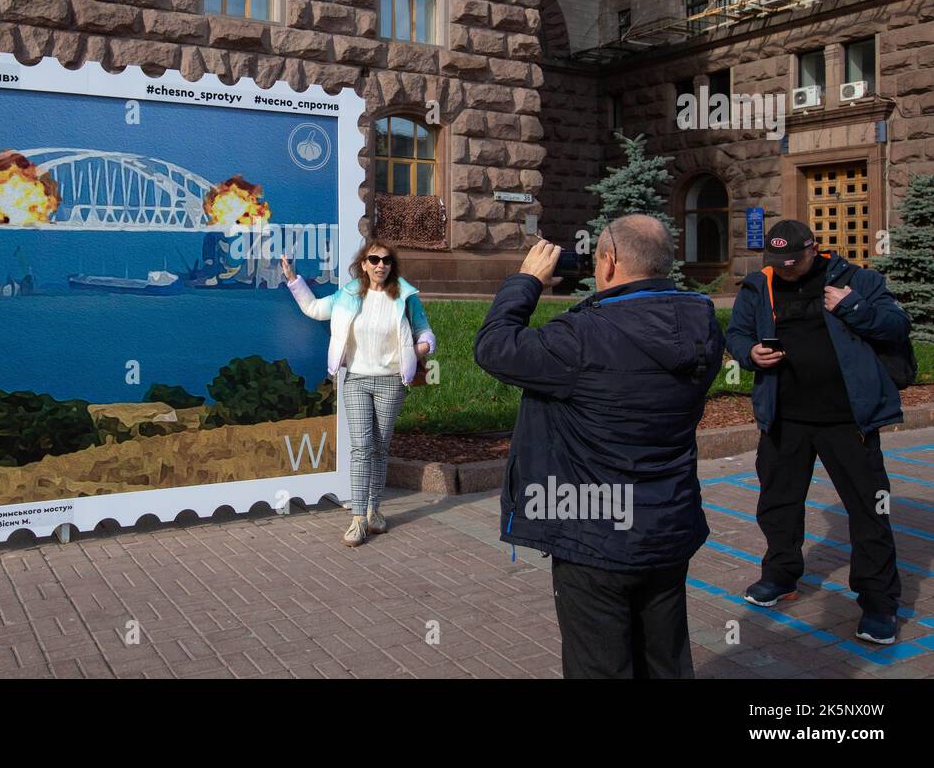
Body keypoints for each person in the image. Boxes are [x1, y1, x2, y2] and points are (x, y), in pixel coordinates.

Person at [474, 215, 724, 678]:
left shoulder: (581, 337)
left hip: (595, 533)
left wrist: (526, 280)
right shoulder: (702, 323)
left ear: (607, 262)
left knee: (600, 665)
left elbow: (494, 347)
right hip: (669, 524)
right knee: (666, 659)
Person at [725, 219, 909, 645]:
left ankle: (879, 604)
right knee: (779, 504)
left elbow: (897, 326)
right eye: (778, 263)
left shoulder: (857, 280)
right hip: (784, 418)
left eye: (794, 262)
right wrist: (748, 353)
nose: (786, 270)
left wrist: (852, 307)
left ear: (814, 250)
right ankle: (780, 575)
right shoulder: (758, 286)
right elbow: (735, 334)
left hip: (849, 421)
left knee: (869, 512)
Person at [282, 240, 435, 547]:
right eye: (374, 259)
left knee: (380, 447)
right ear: (364, 264)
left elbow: (426, 332)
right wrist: (293, 280)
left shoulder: (405, 297)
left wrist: (418, 349)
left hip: (391, 382)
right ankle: (356, 519)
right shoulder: (348, 295)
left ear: (392, 267)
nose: (380, 265)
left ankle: (374, 511)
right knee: (362, 447)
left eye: (386, 261)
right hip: (356, 380)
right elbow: (314, 309)